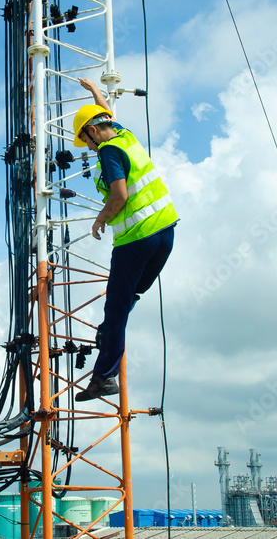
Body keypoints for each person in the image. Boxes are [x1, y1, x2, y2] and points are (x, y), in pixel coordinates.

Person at [72, 77, 179, 401]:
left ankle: (103, 377)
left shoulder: (108, 151)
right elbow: (105, 114)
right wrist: (94, 92)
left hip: (136, 240)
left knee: (117, 307)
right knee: (126, 300)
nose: (90, 149)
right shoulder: (124, 136)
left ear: (91, 131)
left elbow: (118, 195)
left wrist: (99, 219)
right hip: (165, 234)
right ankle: (108, 333)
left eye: (87, 142)